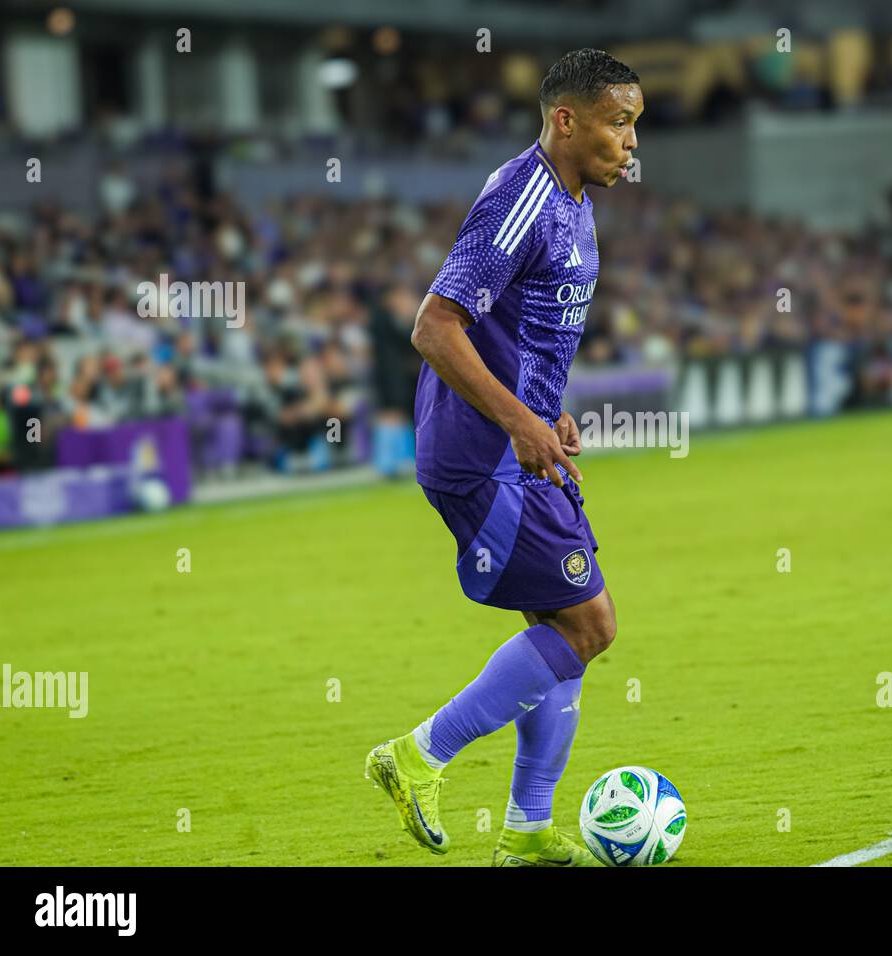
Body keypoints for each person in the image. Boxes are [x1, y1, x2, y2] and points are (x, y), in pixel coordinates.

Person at [365, 48, 642, 867]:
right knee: (591, 625)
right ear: (566, 120)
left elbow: (515, 330)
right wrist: (521, 422)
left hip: (515, 445)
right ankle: (418, 756)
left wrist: (545, 411)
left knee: (558, 632)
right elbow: (436, 325)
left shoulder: (575, 201)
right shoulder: (523, 196)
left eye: (636, 125)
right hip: (481, 453)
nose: (632, 143)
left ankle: (525, 833)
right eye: (619, 123)